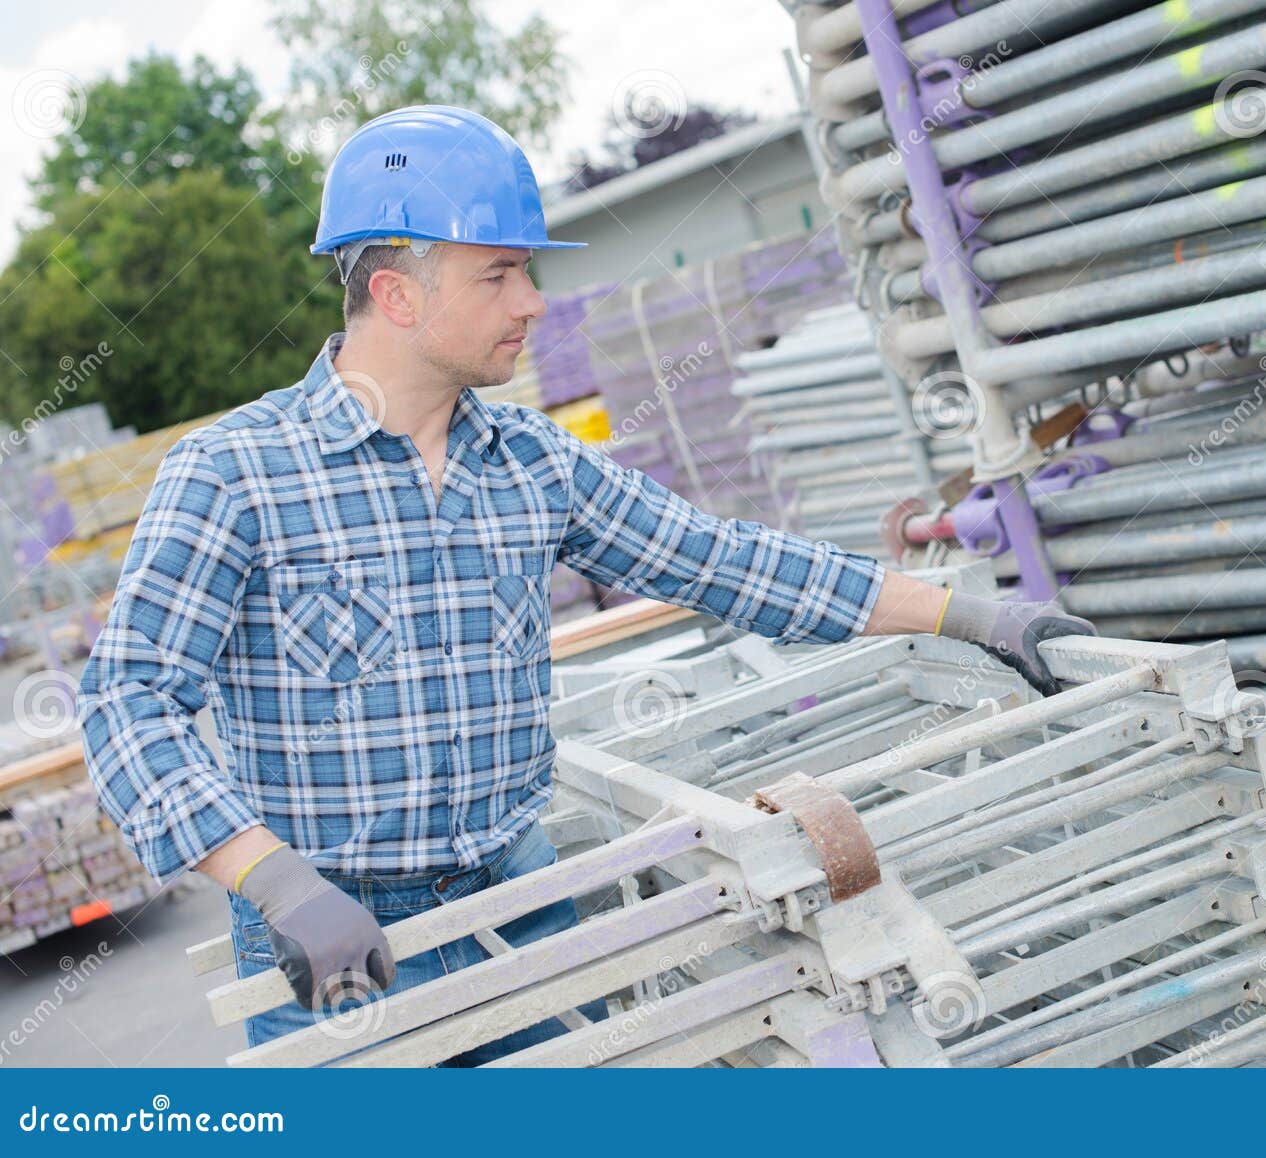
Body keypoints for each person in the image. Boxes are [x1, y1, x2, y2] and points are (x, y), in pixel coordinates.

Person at [75, 105, 1095, 1065]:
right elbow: (129, 700)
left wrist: (973, 613)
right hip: (328, 932)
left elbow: (726, 561)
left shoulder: (531, 462)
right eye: (500, 276)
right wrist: (278, 883)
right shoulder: (236, 473)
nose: (532, 303)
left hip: (518, 912)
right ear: (396, 291)